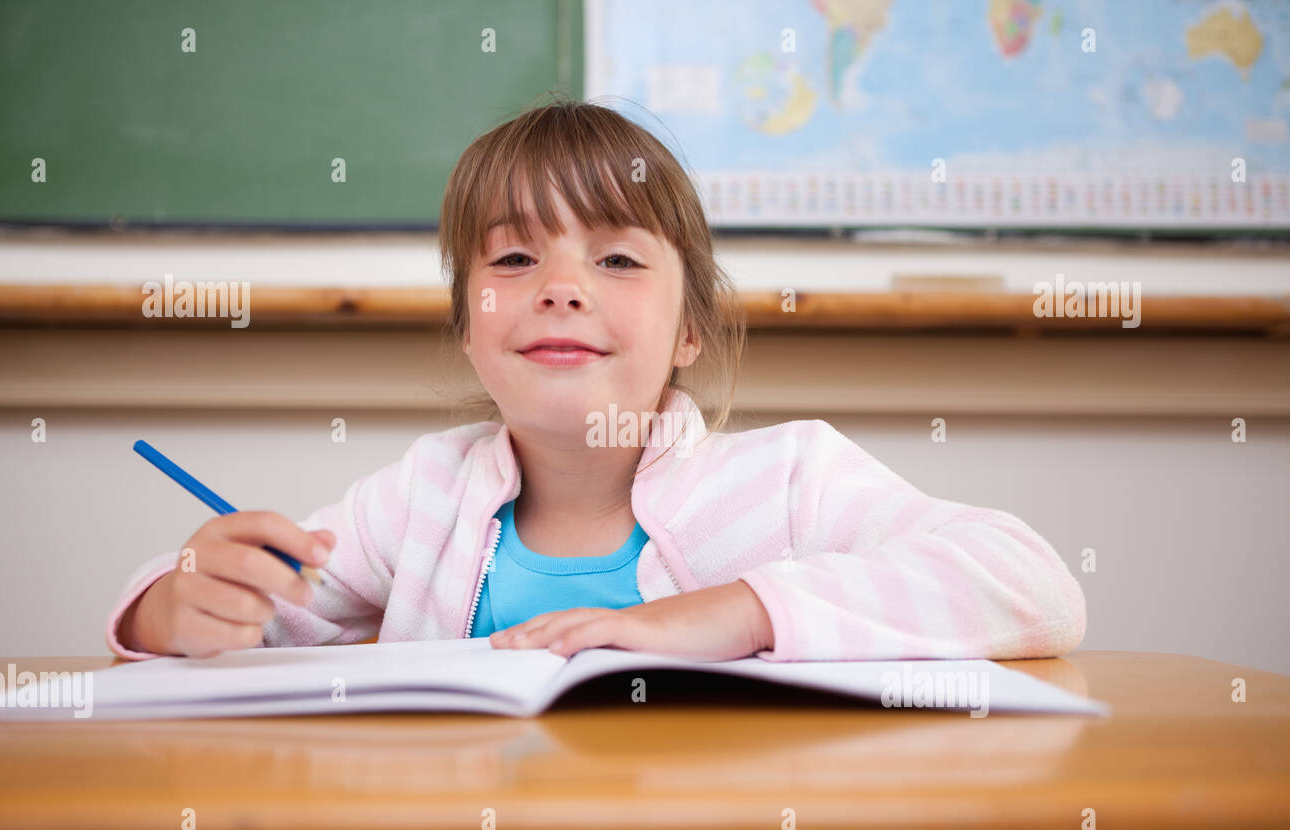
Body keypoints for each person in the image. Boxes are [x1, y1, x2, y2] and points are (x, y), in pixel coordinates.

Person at [108, 96, 1085, 664]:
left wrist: (728, 611)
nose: (563, 290)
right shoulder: (416, 499)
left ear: (690, 328)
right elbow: (242, 622)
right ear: (465, 326)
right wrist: (175, 597)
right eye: (513, 262)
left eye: (616, 261)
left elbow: (1030, 583)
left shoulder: (790, 483)